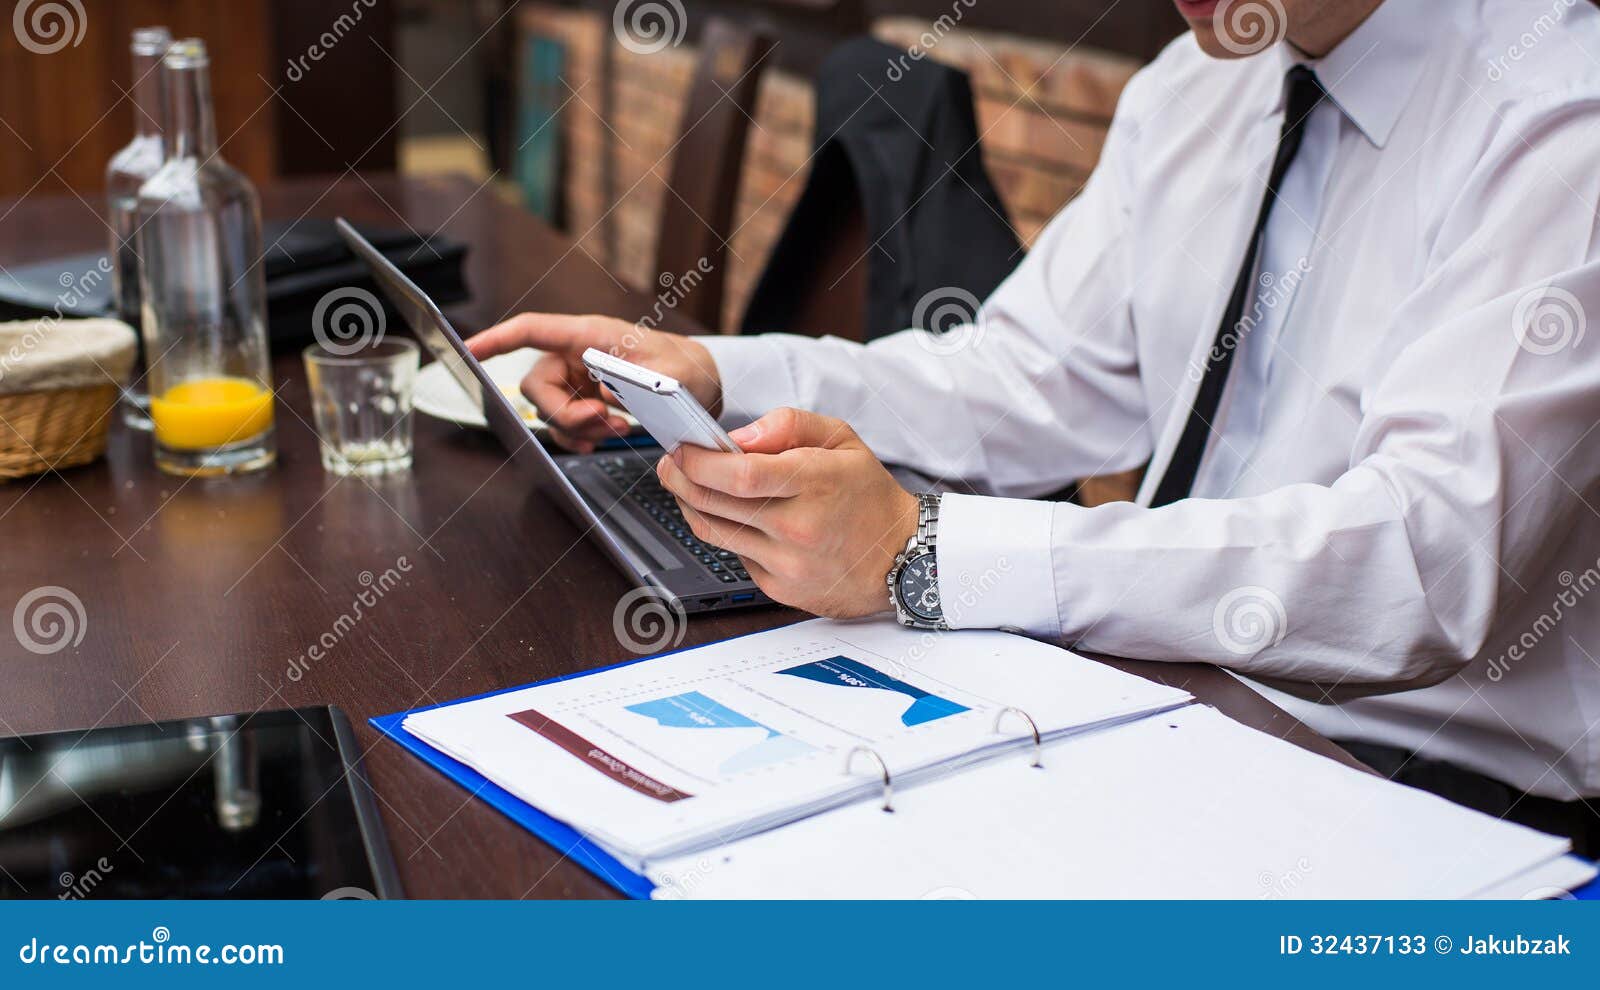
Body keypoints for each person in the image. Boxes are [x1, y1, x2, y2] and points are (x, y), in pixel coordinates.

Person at [467, 0, 1600, 851]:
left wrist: (918, 554)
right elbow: (1031, 375)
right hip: (1172, 706)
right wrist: (717, 371)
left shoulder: (1559, 110)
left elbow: (1421, 564)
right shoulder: (1200, 85)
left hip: (1446, 799)